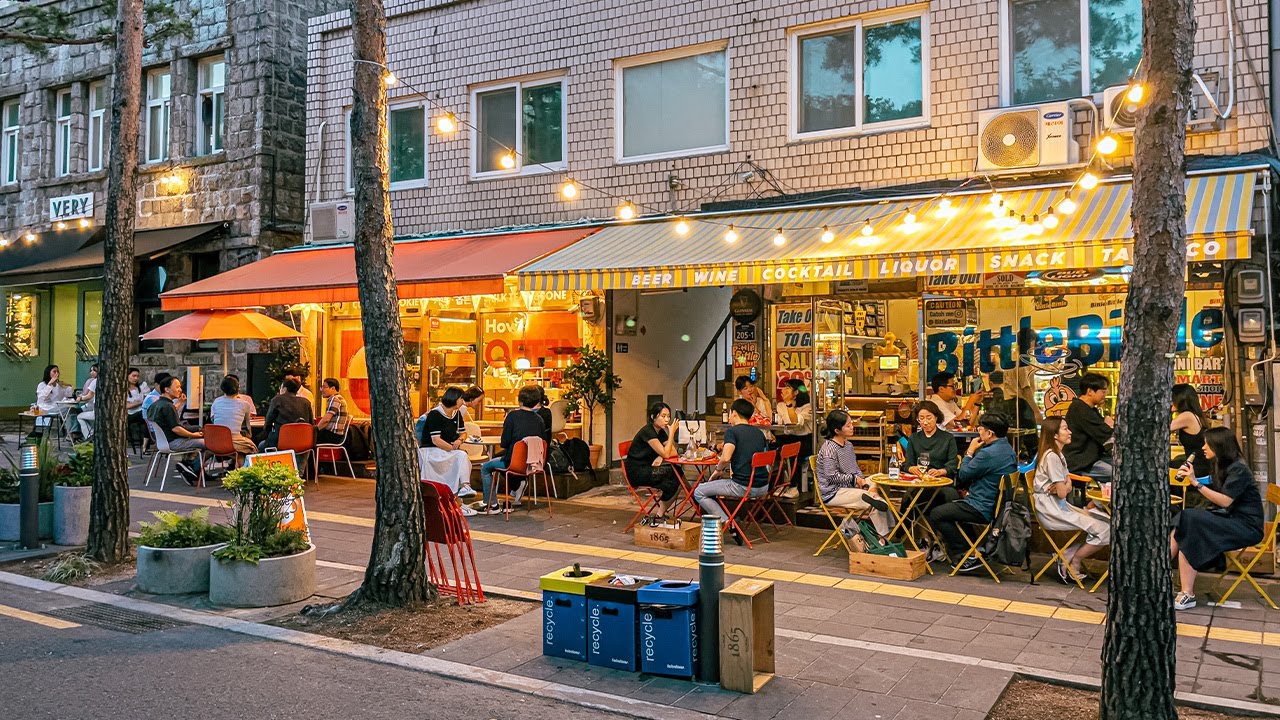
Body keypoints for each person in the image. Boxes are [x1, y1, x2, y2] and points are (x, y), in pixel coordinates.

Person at [1171, 428, 1264, 610]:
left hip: (1246, 527)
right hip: (1232, 519)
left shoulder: (1239, 469)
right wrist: (1194, 478)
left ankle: (1183, 590)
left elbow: (1225, 501)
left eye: (1208, 443)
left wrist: (1196, 483)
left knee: (1188, 519)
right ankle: (1183, 590)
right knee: (1186, 522)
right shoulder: (1225, 464)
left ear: (1219, 446)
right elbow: (1212, 481)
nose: (1203, 447)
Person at [929, 413, 1017, 573]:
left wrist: (969, 452)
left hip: (981, 506)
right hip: (997, 506)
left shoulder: (988, 453)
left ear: (989, 433)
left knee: (936, 513)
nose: (978, 431)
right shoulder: (1007, 448)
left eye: (980, 429)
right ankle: (974, 549)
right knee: (952, 508)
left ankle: (966, 554)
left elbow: (963, 474)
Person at [1032, 417, 1111, 584]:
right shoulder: (1052, 457)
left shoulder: (1057, 454)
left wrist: (1064, 485)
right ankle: (1074, 561)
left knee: (1105, 522)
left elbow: (1066, 484)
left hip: (1058, 506)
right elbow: (1063, 492)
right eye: (1065, 429)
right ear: (1054, 435)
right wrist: (1064, 486)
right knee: (1106, 529)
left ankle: (1067, 555)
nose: (1070, 432)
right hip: (1052, 511)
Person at [692, 399, 770, 545]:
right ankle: (730, 522)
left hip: (742, 486)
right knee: (713, 488)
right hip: (763, 486)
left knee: (699, 491)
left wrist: (717, 471)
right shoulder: (760, 433)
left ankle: (729, 523)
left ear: (734, 413)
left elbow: (726, 457)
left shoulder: (732, 432)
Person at [815, 409, 890, 535]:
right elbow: (831, 476)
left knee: (880, 477)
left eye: (851, 423)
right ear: (837, 431)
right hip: (834, 492)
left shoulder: (848, 445)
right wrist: (855, 480)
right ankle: (885, 535)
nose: (852, 427)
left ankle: (872, 493)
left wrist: (862, 481)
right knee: (872, 502)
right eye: (848, 425)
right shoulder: (829, 449)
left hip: (851, 485)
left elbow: (854, 468)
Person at [477, 386, 545, 514]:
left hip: (512, 463)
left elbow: (504, 443)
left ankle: (492, 504)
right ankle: (516, 486)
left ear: (520, 401)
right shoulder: (539, 420)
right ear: (537, 402)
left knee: (485, 467)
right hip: (533, 464)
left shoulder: (512, 416)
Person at [419, 386, 478, 514]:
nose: (463, 402)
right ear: (455, 399)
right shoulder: (435, 414)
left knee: (461, 457)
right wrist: (452, 448)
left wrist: (460, 441)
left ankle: (461, 492)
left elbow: (463, 433)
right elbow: (435, 440)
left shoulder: (456, 415)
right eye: (461, 399)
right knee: (461, 456)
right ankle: (463, 489)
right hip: (432, 451)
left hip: (448, 451)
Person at [624, 402, 682, 524]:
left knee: (677, 472)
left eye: (668, 416)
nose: (667, 420)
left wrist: (660, 456)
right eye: (663, 416)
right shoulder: (648, 432)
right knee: (675, 474)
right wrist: (671, 434)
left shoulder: (660, 432)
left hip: (648, 468)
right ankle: (661, 513)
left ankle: (660, 513)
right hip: (637, 471)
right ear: (653, 417)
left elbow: (673, 451)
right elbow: (667, 453)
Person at [146, 376, 205, 485]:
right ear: (167, 389)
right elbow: (176, 429)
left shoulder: (155, 405)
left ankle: (188, 465)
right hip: (173, 442)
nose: (180, 389)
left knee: (196, 430)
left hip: (161, 442)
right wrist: (193, 435)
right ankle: (191, 467)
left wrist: (180, 402)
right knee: (208, 443)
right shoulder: (168, 406)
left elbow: (168, 414)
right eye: (177, 387)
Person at [1063, 372, 1114, 478]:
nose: (1105, 395)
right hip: (1081, 462)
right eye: (1103, 392)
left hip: (1091, 457)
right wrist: (1109, 426)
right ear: (1090, 391)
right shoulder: (1081, 409)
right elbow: (1105, 433)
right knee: (1116, 473)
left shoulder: (1087, 409)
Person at [903, 400, 959, 480]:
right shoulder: (914, 438)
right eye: (921, 418)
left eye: (929, 418)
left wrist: (940, 471)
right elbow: (907, 464)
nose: (925, 422)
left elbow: (952, 464)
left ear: (936, 417)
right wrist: (911, 468)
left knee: (949, 493)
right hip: (919, 480)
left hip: (941, 480)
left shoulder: (948, 438)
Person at [259, 377, 315, 451]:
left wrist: (266, 433)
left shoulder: (277, 400)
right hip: (303, 443)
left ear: (284, 389)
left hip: (280, 442)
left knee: (260, 445)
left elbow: (268, 422)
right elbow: (311, 424)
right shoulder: (306, 402)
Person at [1170, 383, 1212, 479]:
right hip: (1200, 463)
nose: (1171, 402)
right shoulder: (1196, 415)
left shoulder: (1187, 416)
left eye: (1172, 399)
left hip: (1198, 466)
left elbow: (1163, 429)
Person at [210, 376, 257, 455]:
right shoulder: (245, 404)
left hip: (216, 442)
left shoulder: (216, 402)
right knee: (252, 448)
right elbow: (248, 428)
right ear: (238, 388)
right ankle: (241, 465)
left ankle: (234, 462)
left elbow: (213, 420)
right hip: (234, 441)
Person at [773, 378, 814, 470]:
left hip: (803, 440)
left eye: (787, 388)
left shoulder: (807, 407)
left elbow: (795, 423)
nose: (783, 390)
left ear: (796, 392)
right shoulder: (780, 406)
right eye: (784, 387)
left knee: (792, 458)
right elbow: (779, 422)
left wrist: (789, 405)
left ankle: (794, 481)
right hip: (787, 438)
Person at [315, 378, 351, 445]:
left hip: (332, 435)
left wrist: (315, 430)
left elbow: (326, 419)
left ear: (333, 388)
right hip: (336, 435)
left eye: (324, 387)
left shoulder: (335, 399)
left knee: (308, 439)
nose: (321, 389)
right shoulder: (339, 398)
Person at [74, 364, 99, 439]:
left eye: (94, 370)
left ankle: (89, 436)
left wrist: (80, 398)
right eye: (91, 371)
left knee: (79, 416)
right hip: (93, 407)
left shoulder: (95, 381)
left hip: (96, 411)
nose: (92, 372)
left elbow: (89, 395)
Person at [127, 368, 149, 446]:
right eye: (133, 376)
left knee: (148, 416)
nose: (136, 378)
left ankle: (146, 443)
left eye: (137, 376)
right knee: (145, 414)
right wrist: (140, 402)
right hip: (130, 414)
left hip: (142, 412)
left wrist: (135, 403)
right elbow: (127, 406)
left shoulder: (142, 387)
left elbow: (147, 400)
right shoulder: (123, 390)